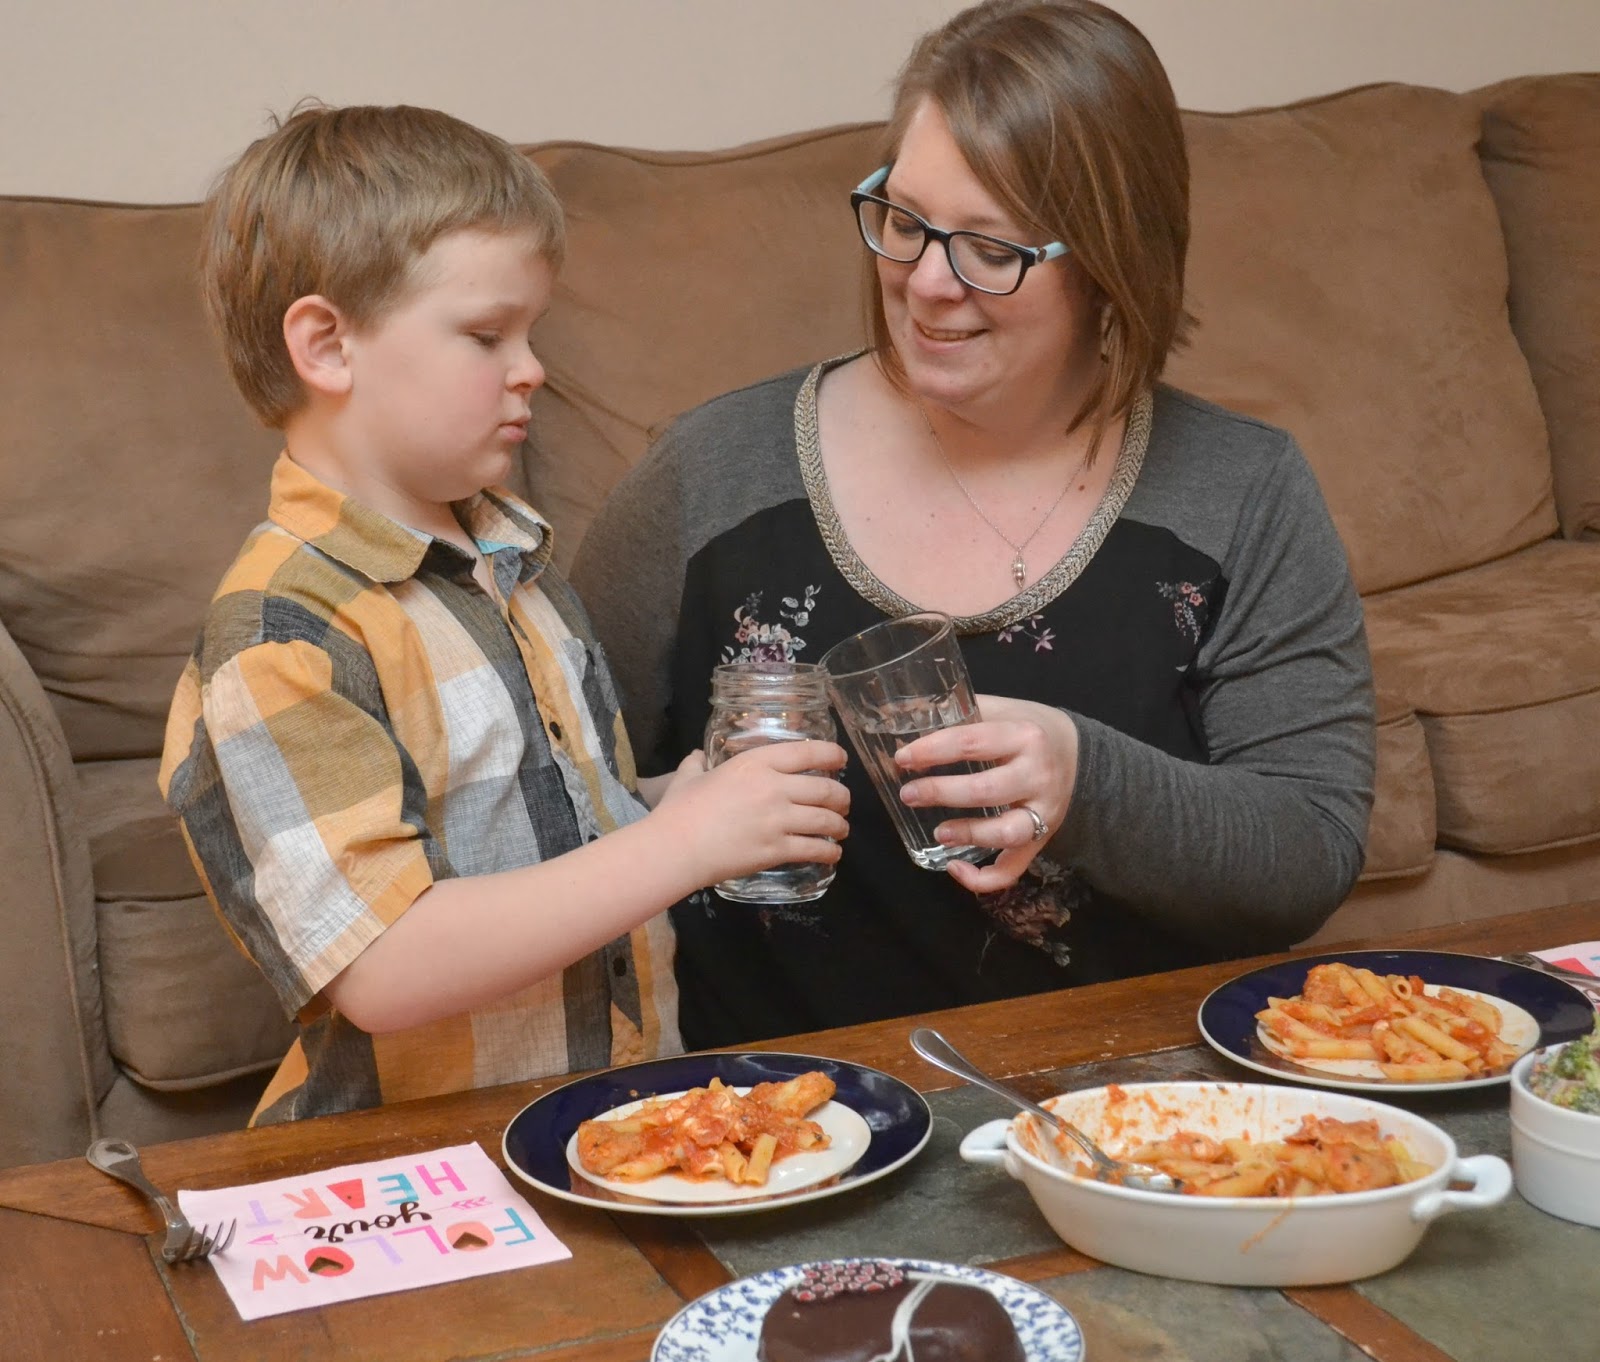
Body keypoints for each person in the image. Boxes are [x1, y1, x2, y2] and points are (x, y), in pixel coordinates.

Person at [570, 0, 1376, 1050]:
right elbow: (548, 799)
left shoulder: (1240, 489)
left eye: (990, 248)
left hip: (1134, 1111)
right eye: (903, 221)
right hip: (769, 1128)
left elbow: (1307, 854)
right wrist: (676, 820)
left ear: (1110, 259)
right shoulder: (715, 473)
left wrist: (1086, 777)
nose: (926, 283)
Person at [158, 104, 849, 1123]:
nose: (531, 369)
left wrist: (667, 802)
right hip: (422, 1177)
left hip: (608, 1122)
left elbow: (543, 829)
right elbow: (384, 965)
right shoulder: (281, 634)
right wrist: (682, 846)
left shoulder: (513, 566)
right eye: (487, 335)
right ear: (327, 345)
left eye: (533, 332)